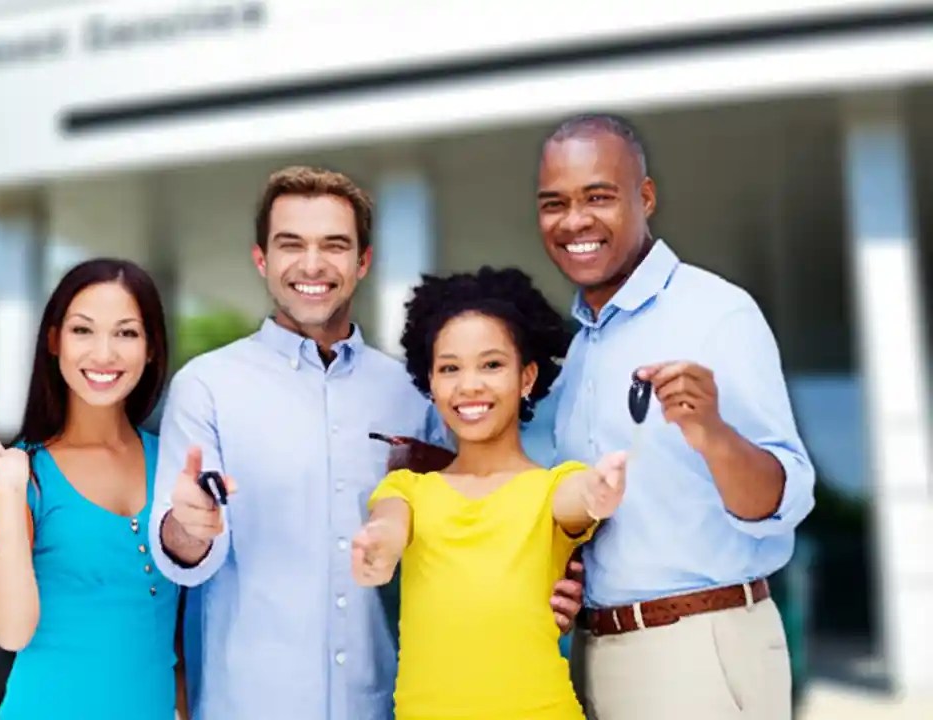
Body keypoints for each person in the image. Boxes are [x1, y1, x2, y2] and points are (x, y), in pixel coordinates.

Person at [149, 165, 584, 720]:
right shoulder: (207, 387)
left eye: (334, 245)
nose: (312, 265)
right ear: (262, 259)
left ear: (363, 263)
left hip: (384, 705)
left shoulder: (416, 392)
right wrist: (190, 525)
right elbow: (182, 555)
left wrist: (549, 578)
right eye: (291, 245)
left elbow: (475, 521)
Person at [534, 113, 815, 719]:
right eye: (553, 203)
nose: (574, 220)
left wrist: (711, 433)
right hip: (594, 649)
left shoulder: (715, 313)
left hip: (697, 648)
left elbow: (784, 498)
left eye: (598, 197)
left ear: (647, 197)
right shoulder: (579, 347)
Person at [351, 266, 628, 719]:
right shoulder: (409, 488)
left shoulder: (551, 486)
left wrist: (598, 491)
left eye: (492, 364)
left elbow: (577, 499)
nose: (470, 385)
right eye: (449, 368)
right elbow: (388, 522)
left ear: (526, 377)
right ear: (431, 383)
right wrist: (377, 547)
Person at [0, 258, 186, 719]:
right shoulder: (25, 474)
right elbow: (10, 632)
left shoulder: (173, 463)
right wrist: (9, 489)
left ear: (151, 349)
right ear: (54, 340)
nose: (103, 354)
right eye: (83, 330)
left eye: (126, 333)